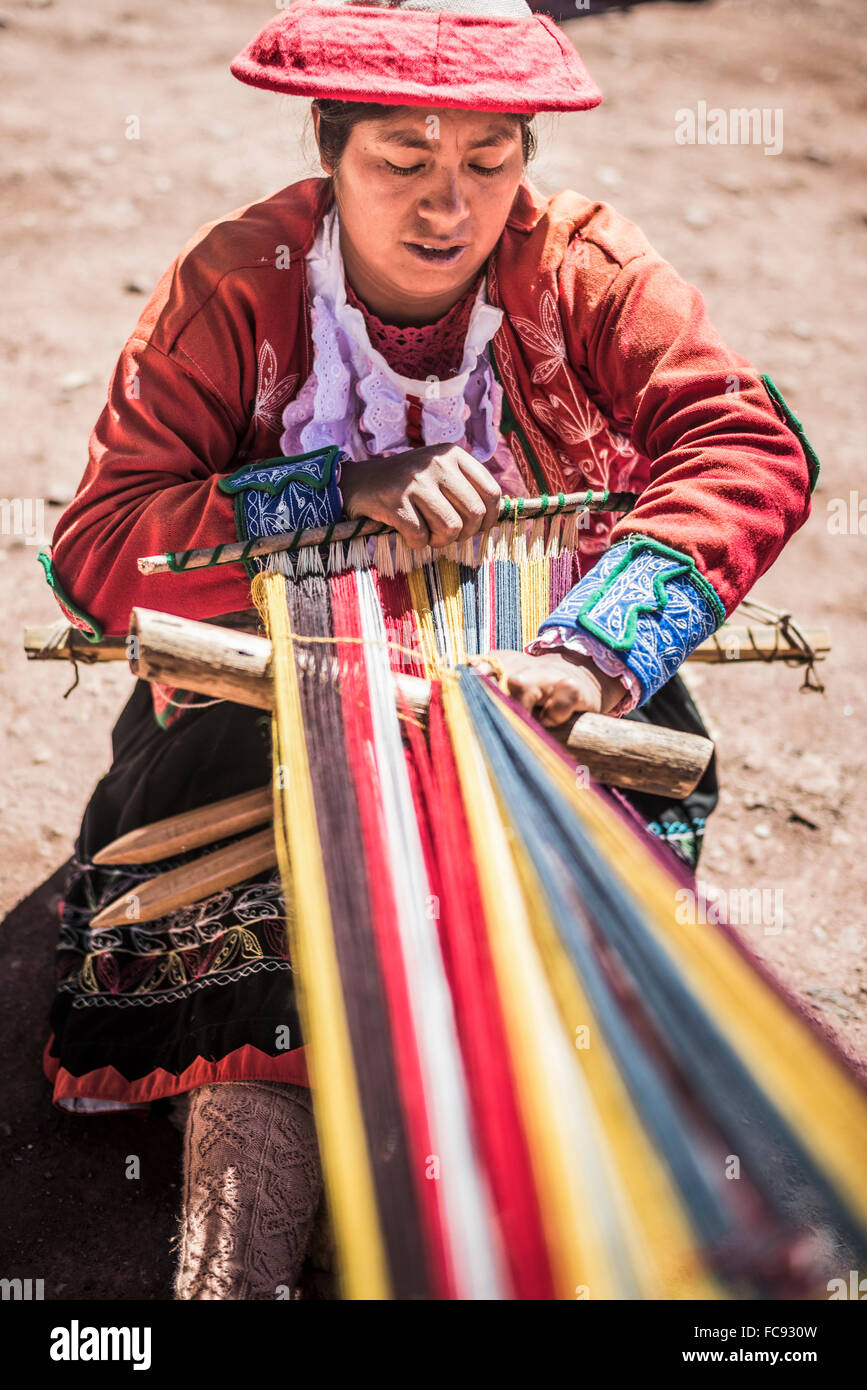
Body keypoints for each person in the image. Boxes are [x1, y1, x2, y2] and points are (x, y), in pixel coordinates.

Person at [38, 0, 817, 1299]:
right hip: (277, 703)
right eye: (404, 159)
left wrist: (591, 652)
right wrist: (334, 487)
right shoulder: (240, 281)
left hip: (542, 691)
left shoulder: (579, 268)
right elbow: (105, 537)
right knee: (283, 967)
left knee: (540, 978)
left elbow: (745, 446)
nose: (450, 206)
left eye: (490, 160)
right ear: (330, 149)